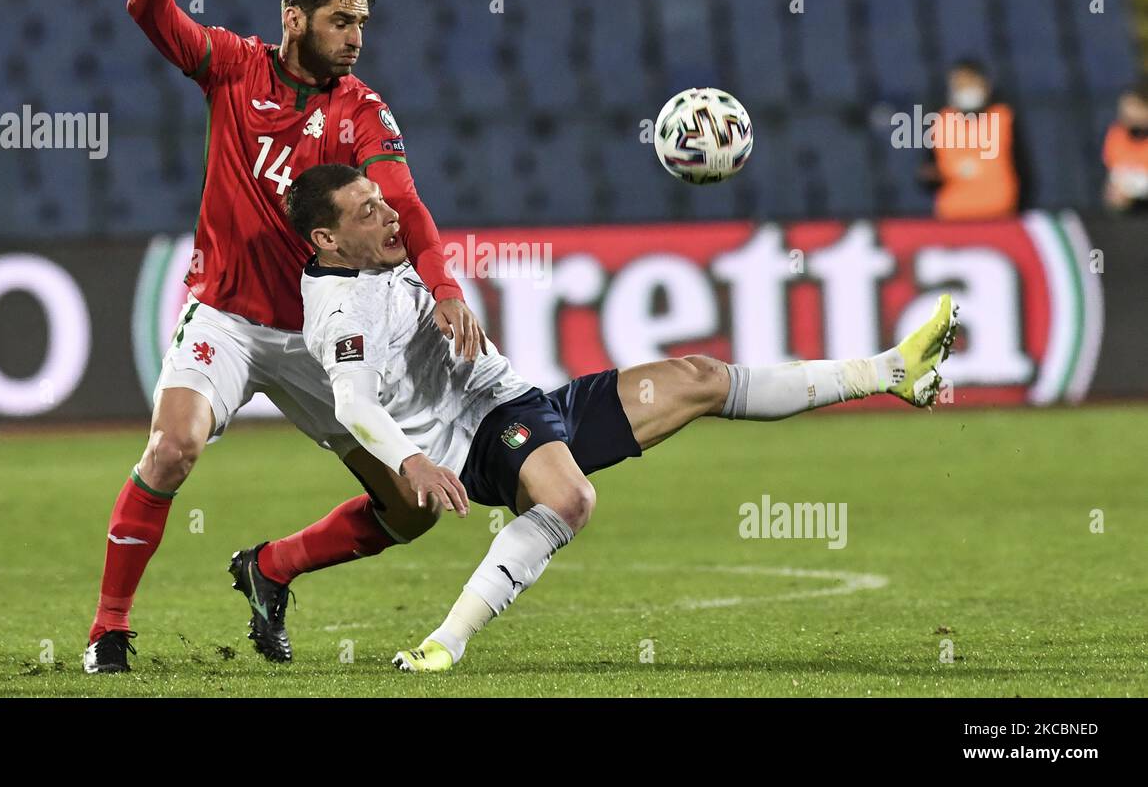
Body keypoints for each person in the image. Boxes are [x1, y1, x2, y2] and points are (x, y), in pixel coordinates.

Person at [270, 164, 959, 672]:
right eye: (367, 213)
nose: (390, 218)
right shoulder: (339, 314)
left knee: (701, 379)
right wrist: (413, 462)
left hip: (523, 403)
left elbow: (412, 218)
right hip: (476, 437)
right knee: (570, 499)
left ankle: (893, 371)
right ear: (327, 238)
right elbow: (354, 401)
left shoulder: (382, 246)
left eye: (381, 202)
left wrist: (444, 285)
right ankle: (445, 643)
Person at [84, 0, 487, 673]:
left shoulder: (363, 111)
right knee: (170, 451)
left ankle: (270, 568)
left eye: (363, 23)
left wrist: (443, 285)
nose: (355, 38)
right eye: (341, 21)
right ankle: (108, 631)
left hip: (321, 331)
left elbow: (403, 203)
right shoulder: (233, 69)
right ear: (294, 18)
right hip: (228, 318)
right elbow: (149, 17)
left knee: (411, 513)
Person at [918, 59, 1030, 220]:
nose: (965, 90)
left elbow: (1023, 168)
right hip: (953, 216)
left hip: (1001, 214)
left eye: (970, 83)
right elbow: (929, 171)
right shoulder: (940, 120)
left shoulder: (1003, 117)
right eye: (959, 85)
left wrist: (1020, 210)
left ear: (985, 85)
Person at [1102, 82, 1148, 213]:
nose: (1127, 112)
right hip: (1130, 214)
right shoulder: (1117, 134)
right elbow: (1114, 173)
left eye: (1136, 106)